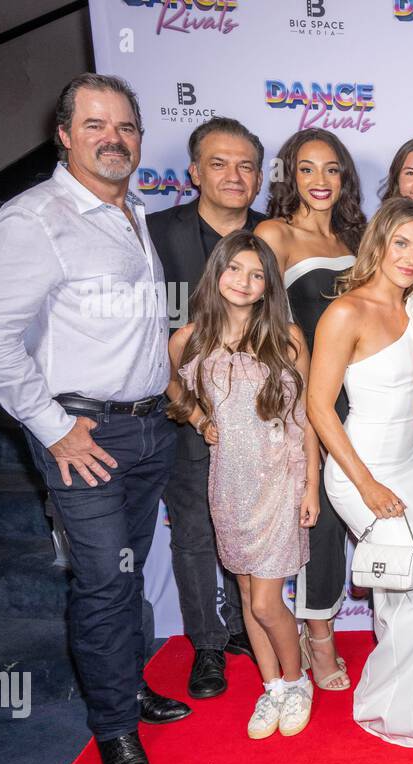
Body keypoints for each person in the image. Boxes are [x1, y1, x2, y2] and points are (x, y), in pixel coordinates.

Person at [0, 73, 189, 764]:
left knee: (129, 576)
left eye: (125, 126)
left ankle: (128, 686)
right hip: (82, 433)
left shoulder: (133, 213)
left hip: (146, 428)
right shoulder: (37, 219)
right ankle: (115, 729)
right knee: (102, 583)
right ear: (63, 134)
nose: (113, 138)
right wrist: (56, 428)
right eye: (95, 125)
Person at [310, 198, 413, 750]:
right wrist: (366, 484)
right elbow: (318, 407)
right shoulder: (345, 312)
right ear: (378, 241)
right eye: (401, 243)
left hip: (410, 465)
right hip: (360, 471)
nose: (411, 256)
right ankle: (389, 705)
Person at [167, 232, 320, 738]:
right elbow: (171, 384)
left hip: (279, 477)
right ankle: (272, 687)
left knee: (262, 601)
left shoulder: (287, 338)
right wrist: (197, 419)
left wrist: (312, 484)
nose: (244, 281)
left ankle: (298, 682)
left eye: (257, 275)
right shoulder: (189, 339)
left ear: (267, 285)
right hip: (227, 481)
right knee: (246, 587)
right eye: (235, 269)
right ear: (217, 273)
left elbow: (307, 417)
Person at [148, 116, 266, 699]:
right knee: (194, 530)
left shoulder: (275, 237)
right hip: (186, 414)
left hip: (263, 422)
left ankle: (249, 625)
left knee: (253, 524)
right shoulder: (151, 233)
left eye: (246, 164)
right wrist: (193, 411)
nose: (233, 175)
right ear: (194, 172)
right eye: (218, 163)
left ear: (261, 176)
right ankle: (208, 645)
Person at [255, 129, 365, 692]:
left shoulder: (362, 236)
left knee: (376, 515)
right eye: (306, 169)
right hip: (311, 398)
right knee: (318, 522)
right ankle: (318, 636)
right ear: (288, 176)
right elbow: (257, 318)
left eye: (331, 169)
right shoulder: (275, 234)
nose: (320, 181)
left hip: (372, 396)